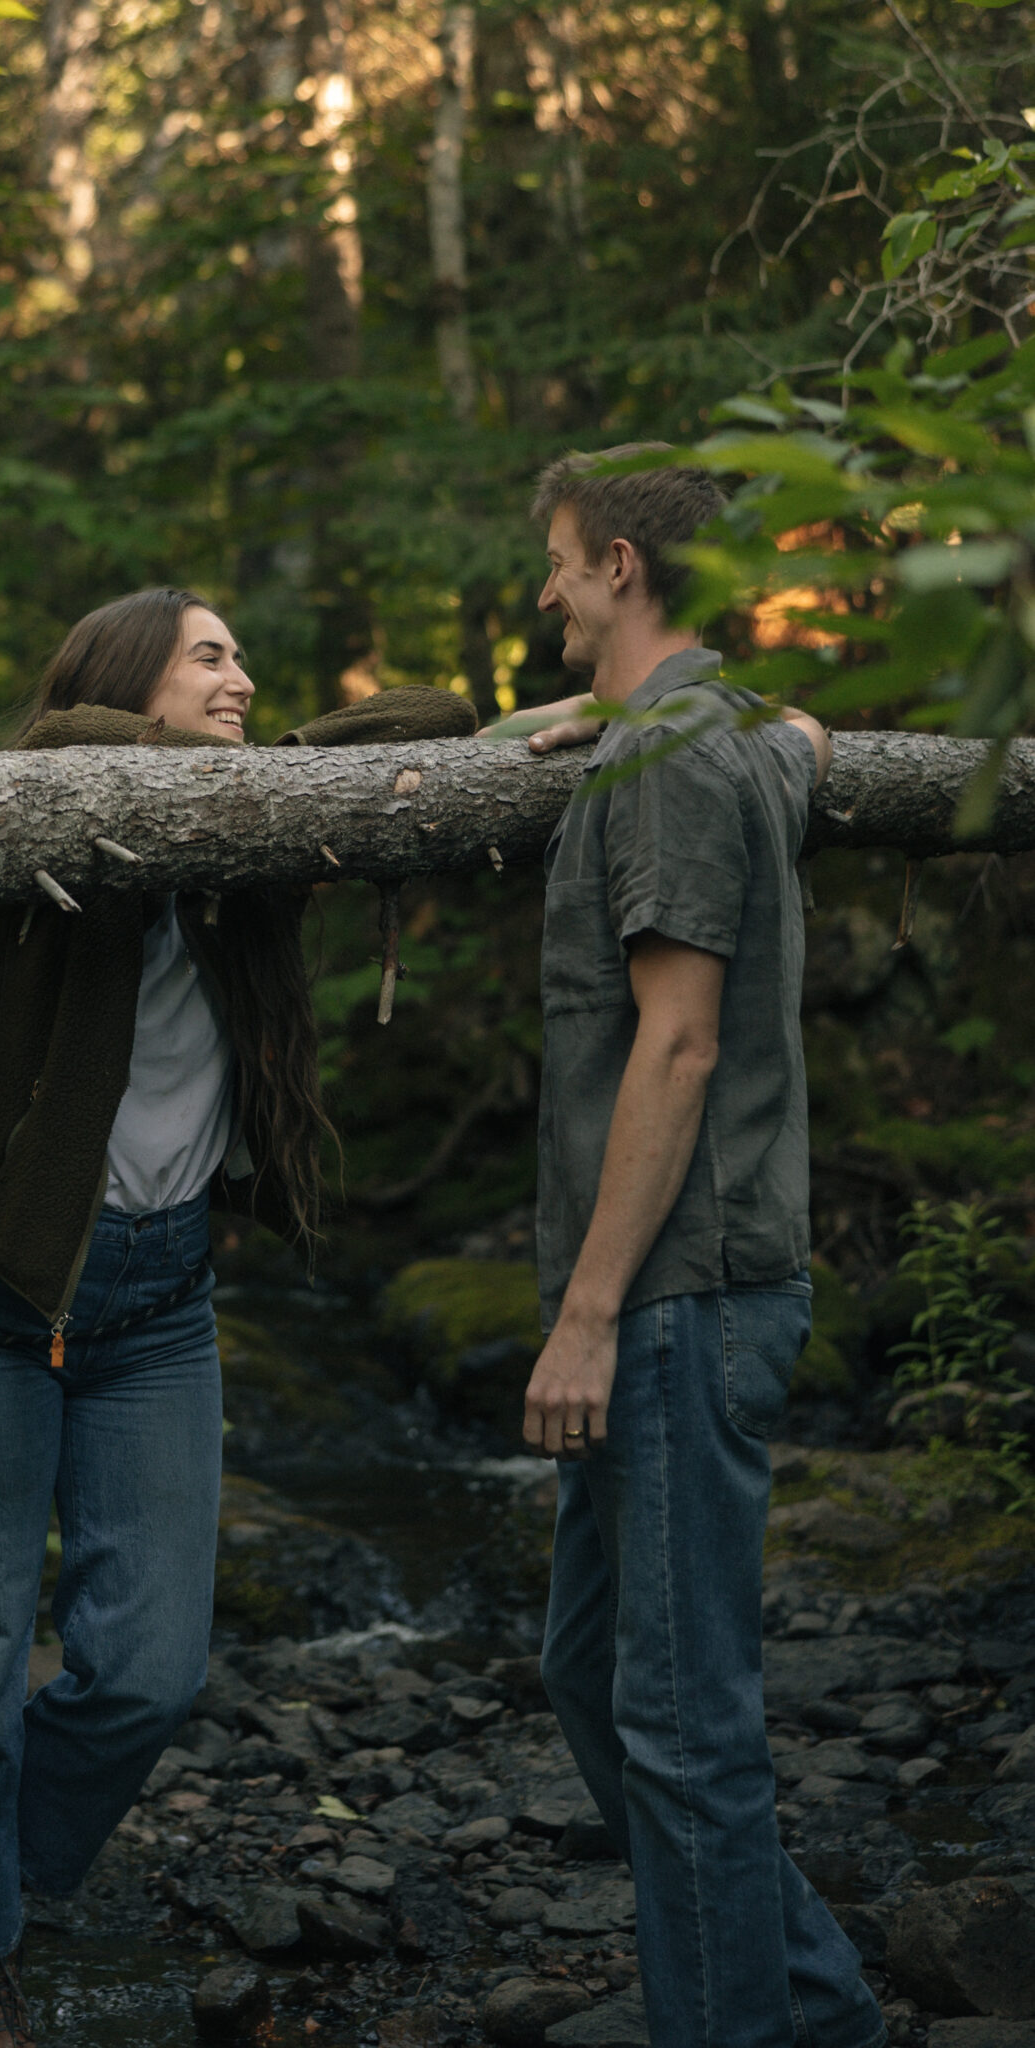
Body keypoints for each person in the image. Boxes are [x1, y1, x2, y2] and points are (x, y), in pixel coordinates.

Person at [0, 586, 477, 2048]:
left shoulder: (246, 847)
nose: (240, 676)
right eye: (208, 658)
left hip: (157, 1311)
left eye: (239, 660)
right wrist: (174, 751)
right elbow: (56, 731)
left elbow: (441, 724)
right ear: (130, 682)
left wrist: (255, 753)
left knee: (148, 1669)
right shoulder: (34, 835)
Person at [514, 447, 885, 2048]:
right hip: (704, 1284)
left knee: (673, 1721)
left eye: (554, 565)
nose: (539, 593)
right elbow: (793, 747)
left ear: (614, 564)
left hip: (674, 1295)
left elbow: (675, 1046)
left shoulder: (668, 756)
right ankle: (807, 1998)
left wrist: (585, 1314)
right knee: (593, 1671)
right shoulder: (721, 727)